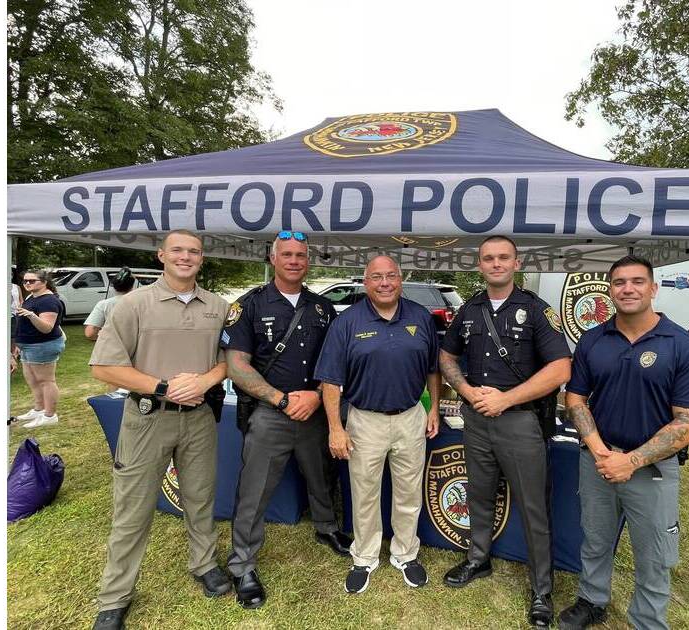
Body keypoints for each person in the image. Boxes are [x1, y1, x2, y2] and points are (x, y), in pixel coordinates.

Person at [87, 230, 233, 630]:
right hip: (148, 416)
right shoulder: (133, 304)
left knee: (200, 497)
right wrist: (164, 386)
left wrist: (205, 381)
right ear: (161, 256)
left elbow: (229, 360)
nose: (186, 257)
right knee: (132, 507)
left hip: (200, 418)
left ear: (202, 259)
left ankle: (204, 565)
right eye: (178, 251)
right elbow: (103, 367)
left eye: (194, 252)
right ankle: (115, 597)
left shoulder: (218, 307)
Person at [558, 255, 689, 630]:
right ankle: (592, 599)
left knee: (654, 554)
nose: (628, 289)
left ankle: (647, 620)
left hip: (653, 469)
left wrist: (631, 461)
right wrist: (600, 451)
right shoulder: (594, 340)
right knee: (595, 538)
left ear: (653, 288)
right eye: (620, 282)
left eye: (637, 281)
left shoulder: (683, 345)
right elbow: (575, 399)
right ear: (610, 290)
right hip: (598, 460)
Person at [438, 236, 571, 627]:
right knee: (479, 494)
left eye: (503, 258)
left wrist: (505, 399)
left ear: (517, 263)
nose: (495, 264)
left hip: (520, 423)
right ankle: (478, 560)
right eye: (488, 258)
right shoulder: (469, 309)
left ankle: (541, 590)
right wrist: (464, 390)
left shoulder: (535, 310)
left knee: (533, 508)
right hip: (476, 421)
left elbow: (561, 369)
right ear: (479, 265)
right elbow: (447, 355)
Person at [220, 231, 353, 609]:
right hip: (269, 414)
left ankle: (327, 529)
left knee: (322, 476)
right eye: (287, 255)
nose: (295, 261)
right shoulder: (248, 306)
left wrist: (314, 397)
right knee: (254, 490)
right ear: (273, 258)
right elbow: (236, 365)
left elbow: (336, 361)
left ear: (307, 261)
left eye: (301, 255)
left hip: (314, 410)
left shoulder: (323, 309)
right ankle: (243, 564)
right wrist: (280, 400)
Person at [314, 255, 441, 595]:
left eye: (391, 276)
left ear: (401, 279)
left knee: (409, 492)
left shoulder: (421, 317)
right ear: (365, 282)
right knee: (365, 492)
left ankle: (405, 554)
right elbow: (329, 380)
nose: (384, 283)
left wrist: (434, 408)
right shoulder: (347, 322)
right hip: (364, 420)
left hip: (410, 417)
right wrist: (335, 428)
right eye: (376, 277)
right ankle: (365, 556)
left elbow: (433, 369)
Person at [12, 270, 66, 428]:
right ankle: (39, 409)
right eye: (25, 281)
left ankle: (50, 415)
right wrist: (18, 345)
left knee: (46, 381)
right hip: (28, 346)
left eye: (32, 281)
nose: (27, 284)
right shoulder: (32, 296)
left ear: (44, 282)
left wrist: (31, 315)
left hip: (42, 345)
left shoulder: (48, 301)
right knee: (32, 380)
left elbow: (47, 328)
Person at [85, 268, 135, 340]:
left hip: (111, 348)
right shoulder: (142, 303)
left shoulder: (104, 304)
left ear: (114, 287)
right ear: (132, 286)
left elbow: (90, 333)